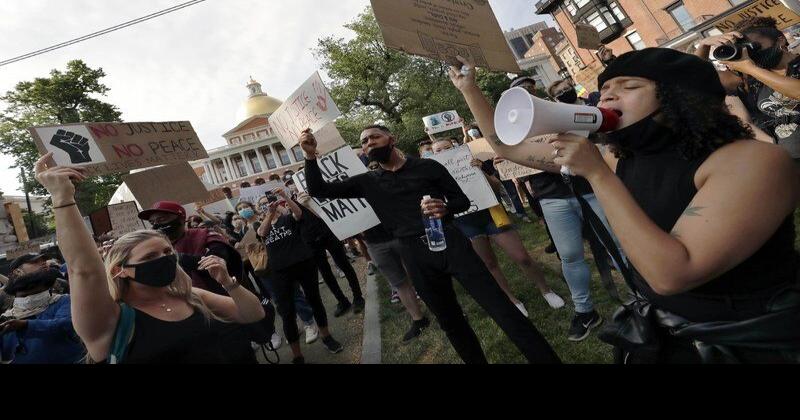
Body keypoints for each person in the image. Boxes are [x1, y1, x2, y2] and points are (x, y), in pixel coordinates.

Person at [470, 48, 800, 363]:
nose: (607, 96)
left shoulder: (755, 161)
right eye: (606, 89)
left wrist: (597, 175)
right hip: (666, 333)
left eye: (629, 86)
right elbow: (508, 147)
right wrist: (469, 88)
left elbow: (672, 275)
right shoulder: (621, 158)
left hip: (746, 342)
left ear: (680, 96)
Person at [301, 126, 560, 364]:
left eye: (374, 136)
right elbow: (318, 189)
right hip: (414, 254)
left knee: (499, 307)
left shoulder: (428, 168)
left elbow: (462, 201)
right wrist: (310, 156)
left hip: (450, 243)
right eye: (364, 141)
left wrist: (445, 208)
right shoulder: (367, 181)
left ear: (392, 138)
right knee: (450, 321)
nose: (369, 143)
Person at [34, 153, 267, 364]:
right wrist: (62, 197)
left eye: (167, 253)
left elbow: (253, 313)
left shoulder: (191, 297)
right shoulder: (111, 319)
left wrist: (229, 283)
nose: (164, 259)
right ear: (120, 270)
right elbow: (83, 269)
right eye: (150, 256)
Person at [461, 71, 622, 341]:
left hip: (593, 189)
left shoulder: (569, 111)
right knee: (570, 255)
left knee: (618, 245)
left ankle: (644, 297)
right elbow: (504, 145)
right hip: (554, 197)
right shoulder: (518, 127)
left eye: (530, 89)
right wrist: (469, 88)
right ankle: (585, 310)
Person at [429, 138, 565, 314]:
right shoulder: (432, 176)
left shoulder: (471, 163)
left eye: (447, 148)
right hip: (465, 223)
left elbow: (497, 188)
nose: (443, 152)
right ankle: (512, 300)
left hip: (492, 215)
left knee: (522, 257)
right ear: (433, 155)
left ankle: (546, 290)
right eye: (438, 151)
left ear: (455, 148)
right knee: (489, 263)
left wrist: (481, 171)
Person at [696, 17, 800, 165]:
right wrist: (703, 47)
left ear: (780, 40)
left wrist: (751, 68)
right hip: (788, 160)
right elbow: (695, 81)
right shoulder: (750, 79)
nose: (752, 54)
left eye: (755, 46)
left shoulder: (754, 71)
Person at [257, 187, 344, 363]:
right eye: (263, 205)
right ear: (260, 209)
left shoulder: (288, 218)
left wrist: (284, 197)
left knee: (315, 300)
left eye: (269, 202)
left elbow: (298, 213)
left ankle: (326, 336)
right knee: (287, 312)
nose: (268, 205)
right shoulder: (258, 224)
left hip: (304, 264)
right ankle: (297, 355)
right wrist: (269, 214)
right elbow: (262, 234)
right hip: (280, 271)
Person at [139, 201, 241, 296]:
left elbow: (216, 261)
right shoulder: (159, 248)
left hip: (225, 296)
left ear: (181, 219)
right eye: (152, 223)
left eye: (162, 219)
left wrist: (176, 258)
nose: (156, 225)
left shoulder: (206, 236)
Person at [293, 192, 365, 317]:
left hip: (329, 235)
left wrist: (309, 204)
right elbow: (295, 217)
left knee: (344, 265)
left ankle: (358, 297)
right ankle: (342, 301)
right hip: (311, 241)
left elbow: (328, 215)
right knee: (326, 273)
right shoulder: (293, 201)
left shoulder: (315, 195)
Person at [1, 268, 85, 364]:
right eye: (24, 296)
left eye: (35, 294)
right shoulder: (7, 316)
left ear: (47, 290)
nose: (29, 298)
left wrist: (26, 325)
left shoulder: (62, 301)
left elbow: (66, 325)